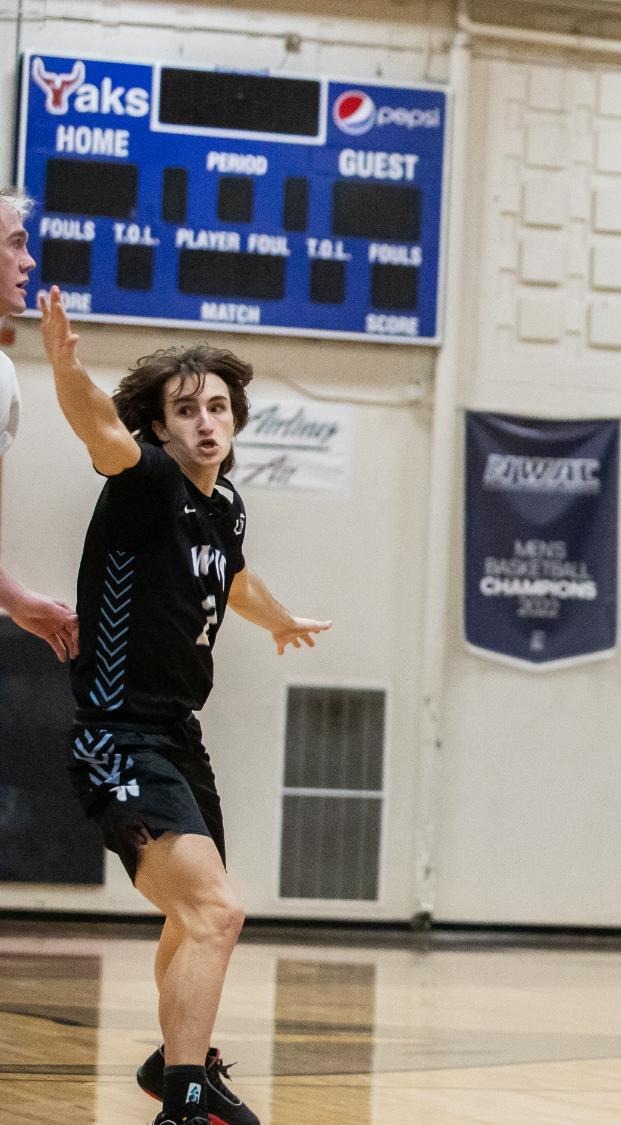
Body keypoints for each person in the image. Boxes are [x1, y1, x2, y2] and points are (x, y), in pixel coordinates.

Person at [42, 287, 330, 1125]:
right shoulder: (150, 479)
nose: (206, 421)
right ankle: (187, 1099)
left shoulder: (225, 504)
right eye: (186, 409)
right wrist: (67, 370)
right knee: (216, 910)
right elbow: (98, 428)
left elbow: (233, 575)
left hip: (178, 736)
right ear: (160, 428)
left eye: (217, 406)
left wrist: (278, 618)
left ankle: (173, 1059)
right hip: (118, 734)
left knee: (192, 912)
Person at [0, 186, 78, 661]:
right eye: (15, 243)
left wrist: (16, 600)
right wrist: (17, 599)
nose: (29, 261)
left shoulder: (4, 373)